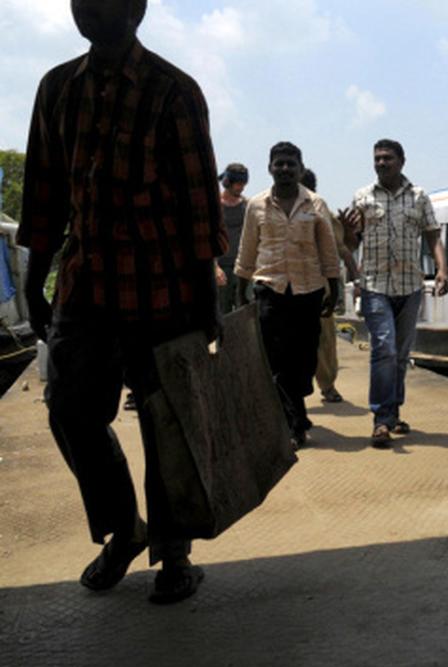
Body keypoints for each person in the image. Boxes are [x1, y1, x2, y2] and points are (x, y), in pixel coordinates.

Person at [18, 0, 223, 604]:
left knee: (167, 425)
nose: (88, 10)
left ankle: (175, 555)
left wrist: (204, 299)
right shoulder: (57, 88)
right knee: (71, 411)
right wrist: (36, 282)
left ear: (136, 10)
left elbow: (198, 205)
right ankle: (124, 528)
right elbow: (44, 191)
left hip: (162, 288)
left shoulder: (173, 90)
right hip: (85, 286)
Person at [343, 139, 448, 447]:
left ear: (402, 161)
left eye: (387, 158)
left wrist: (442, 270)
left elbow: (433, 237)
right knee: (384, 348)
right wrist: (348, 233)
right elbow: (350, 246)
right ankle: (381, 419)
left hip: (410, 286)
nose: (381, 163)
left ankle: (393, 411)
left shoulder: (418, 197)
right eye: (376, 158)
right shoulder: (362, 197)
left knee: (400, 355)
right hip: (375, 284)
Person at [234, 142, 340, 447]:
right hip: (270, 289)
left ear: (300, 168)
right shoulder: (256, 205)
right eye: (279, 164)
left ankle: (297, 410)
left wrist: (333, 291)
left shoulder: (316, 204)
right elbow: (247, 248)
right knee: (277, 360)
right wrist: (240, 290)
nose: (284, 169)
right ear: (269, 168)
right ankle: (293, 426)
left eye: (290, 164)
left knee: (304, 359)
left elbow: (328, 250)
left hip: (308, 290)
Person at [299, 168, 358, 403]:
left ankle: (327, 385)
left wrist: (354, 279)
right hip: (285, 285)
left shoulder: (322, 212)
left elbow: (344, 250)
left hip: (318, 286)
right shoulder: (273, 211)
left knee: (324, 340)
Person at [216, 162, 249, 313]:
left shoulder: (247, 205)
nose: (241, 187)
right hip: (222, 268)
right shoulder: (215, 205)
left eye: (243, 183)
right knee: (224, 314)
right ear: (228, 182)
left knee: (246, 312)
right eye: (238, 183)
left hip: (243, 267)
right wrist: (214, 267)